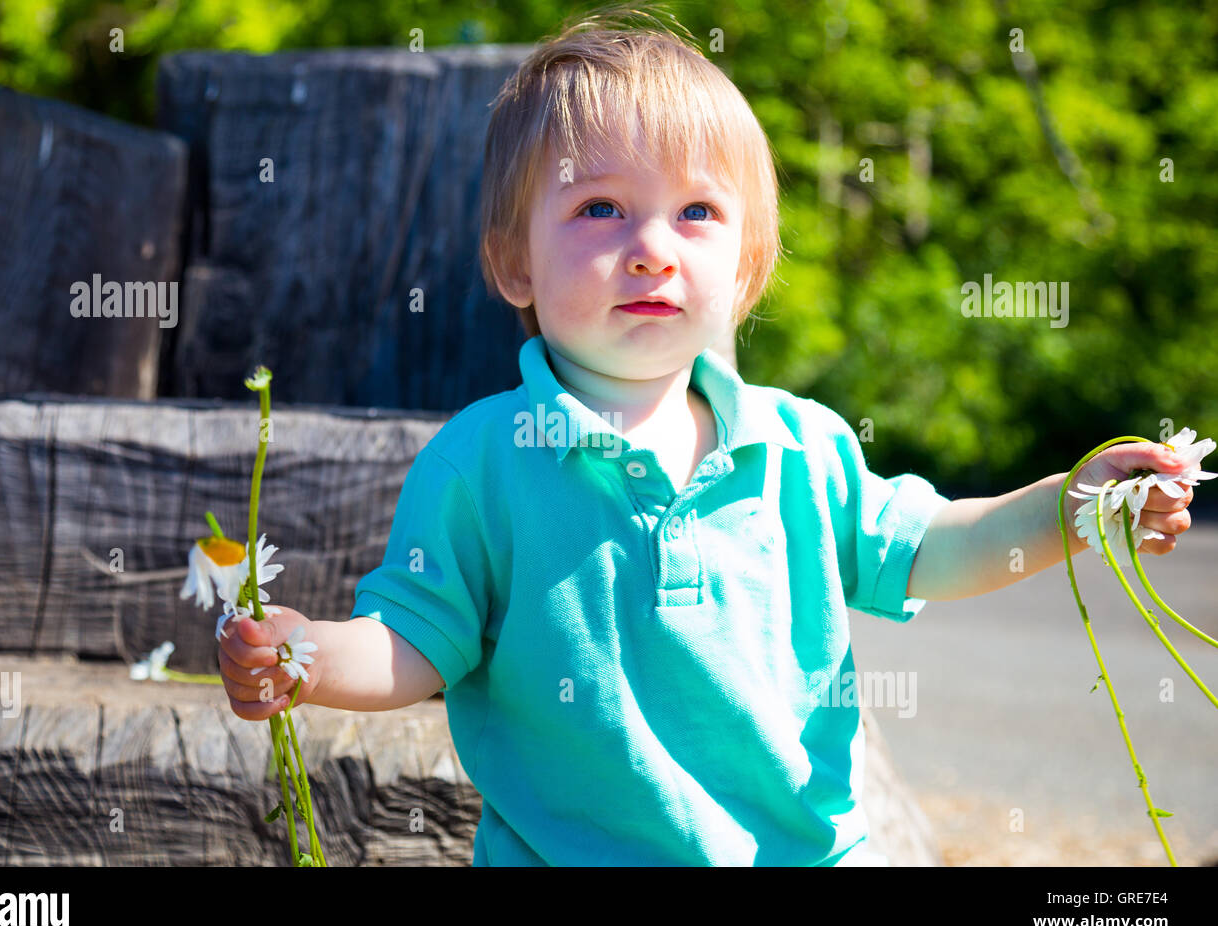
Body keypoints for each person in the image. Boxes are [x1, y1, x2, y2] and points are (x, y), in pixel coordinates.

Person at [217, 4, 1197, 866]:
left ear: (745, 266)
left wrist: (1078, 505)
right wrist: (306, 655)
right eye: (599, 208)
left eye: (696, 212)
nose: (650, 246)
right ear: (513, 260)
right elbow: (410, 644)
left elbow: (941, 545)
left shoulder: (801, 447)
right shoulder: (480, 461)